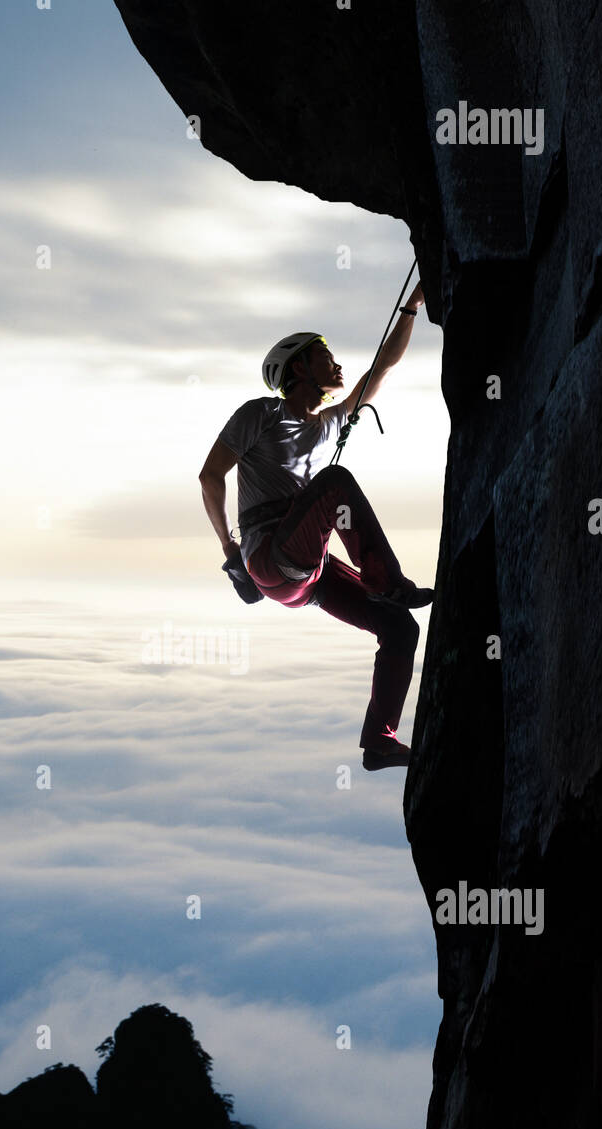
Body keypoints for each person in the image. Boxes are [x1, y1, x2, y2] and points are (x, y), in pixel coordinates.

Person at [199, 282, 433, 770]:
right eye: (325, 356)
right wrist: (230, 550)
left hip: (306, 575)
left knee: (400, 629)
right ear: (300, 367)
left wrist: (411, 306)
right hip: (270, 555)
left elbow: (382, 367)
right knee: (335, 481)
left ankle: (380, 742)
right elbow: (210, 476)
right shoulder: (259, 415)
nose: (338, 366)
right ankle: (387, 581)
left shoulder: (325, 425)